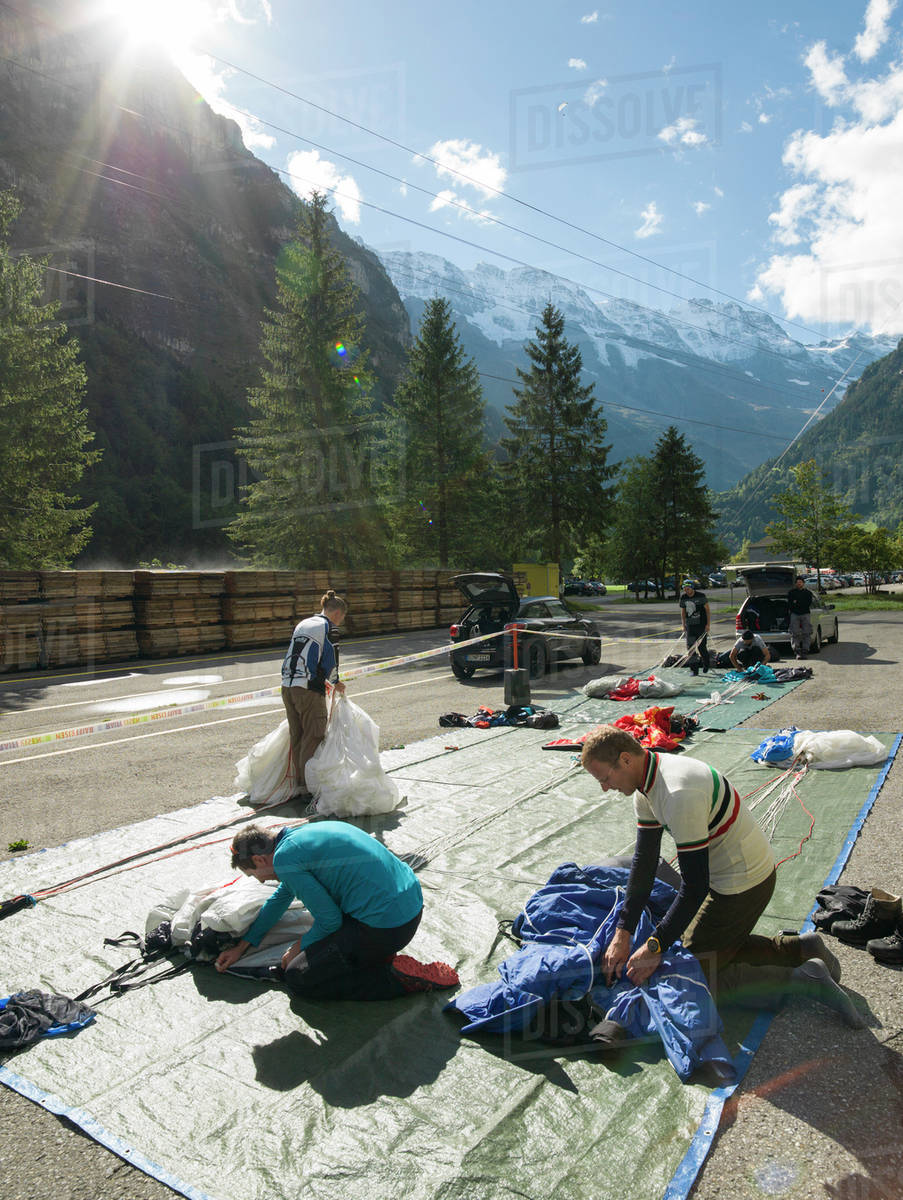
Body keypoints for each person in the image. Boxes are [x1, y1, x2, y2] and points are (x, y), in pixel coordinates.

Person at [580, 726, 864, 1027]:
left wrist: (653, 946)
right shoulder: (647, 786)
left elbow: (694, 887)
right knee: (702, 952)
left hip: (741, 885)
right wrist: (623, 932)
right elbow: (644, 863)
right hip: (733, 877)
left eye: (605, 779)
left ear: (625, 760)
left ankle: (804, 979)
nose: (605, 788)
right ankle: (800, 949)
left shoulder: (677, 792)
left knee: (690, 980)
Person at [214, 822, 458, 997]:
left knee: (299, 976)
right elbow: (281, 898)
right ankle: (377, 957)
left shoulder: (285, 860)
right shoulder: (300, 835)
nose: (261, 882)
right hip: (409, 908)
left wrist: (299, 946)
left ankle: (395, 978)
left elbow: (330, 920)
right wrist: (244, 945)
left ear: (259, 860)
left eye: (255, 876)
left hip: (386, 928)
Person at [281, 590, 347, 799]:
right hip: (308, 689)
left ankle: (297, 784)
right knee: (314, 735)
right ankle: (308, 789)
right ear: (337, 613)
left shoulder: (304, 623)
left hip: (287, 685)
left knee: (297, 735)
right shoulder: (329, 628)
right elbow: (330, 661)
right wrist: (336, 683)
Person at [679, 579, 710, 675]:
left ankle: (706, 663)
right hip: (690, 626)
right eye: (685, 589)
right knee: (691, 648)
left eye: (688, 589)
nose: (686, 591)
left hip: (701, 625)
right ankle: (694, 670)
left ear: (692, 588)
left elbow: (708, 611)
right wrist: (683, 625)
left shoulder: (701, 596)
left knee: (702, 648)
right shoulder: (683, 597)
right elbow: (683, 612)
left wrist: (708, 624)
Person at [787, 575, 814, 660]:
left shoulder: (808, 593)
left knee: (807, 632)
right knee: (794, 633)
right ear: (795, 584)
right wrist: (796, 603)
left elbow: (807, 603)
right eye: (797, 583)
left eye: (800, 582)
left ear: (803, 583)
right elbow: (790, 604)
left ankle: (805, 650)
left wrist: (797, 602)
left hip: (805, 614)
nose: (799, 584)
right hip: (794, 614)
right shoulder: (791, 593)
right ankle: (797, 651)